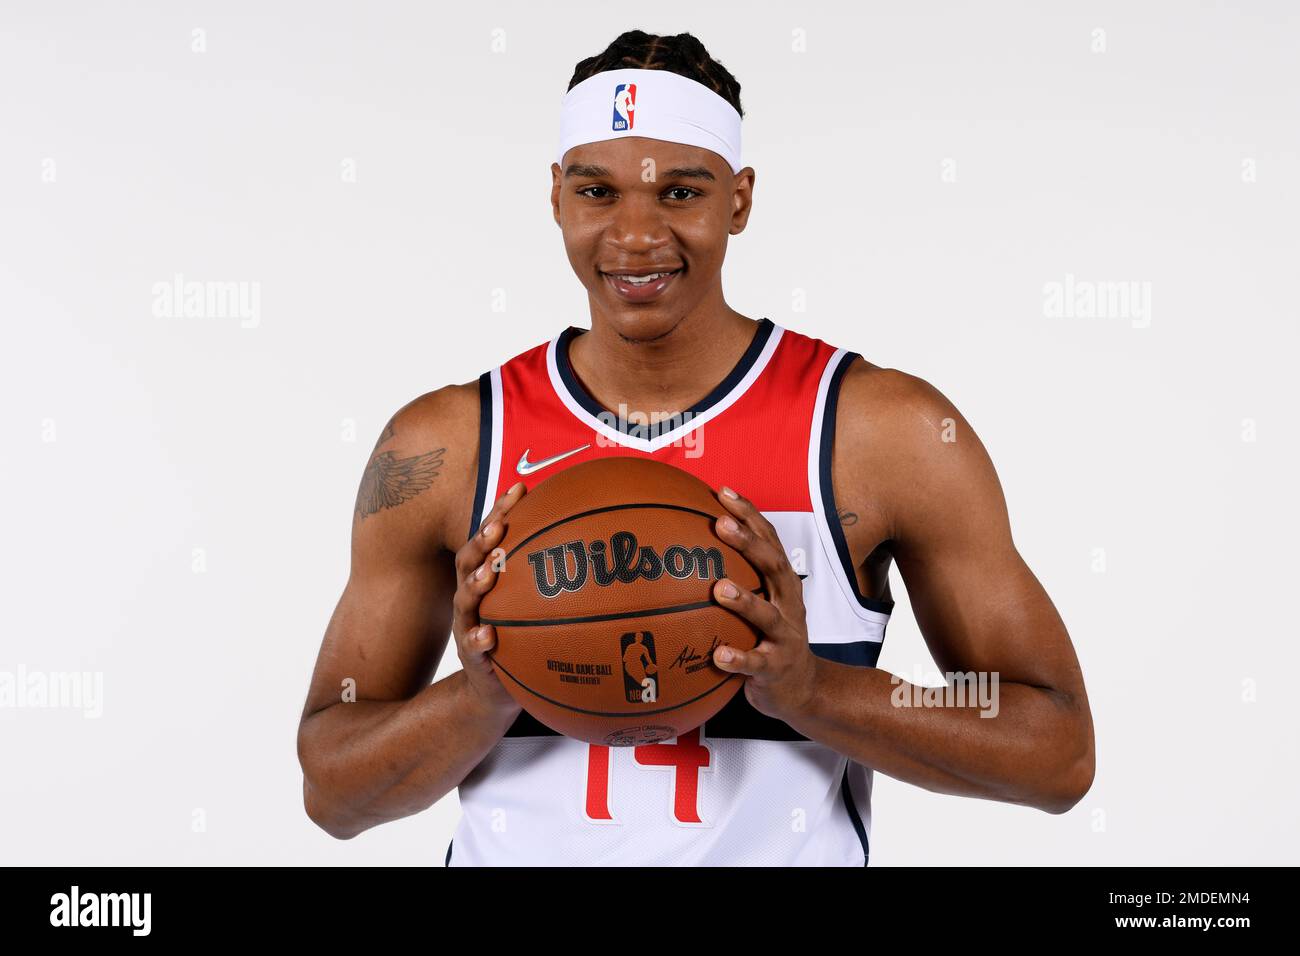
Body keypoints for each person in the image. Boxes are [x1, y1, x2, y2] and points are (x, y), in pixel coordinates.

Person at [297, 29, 1095, 866]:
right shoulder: (449, 444)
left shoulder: (878, 431)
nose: (635, 236)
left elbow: (1057, 752)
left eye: (680, 193)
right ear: (558, 198)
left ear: (739, 200)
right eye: (598, 191)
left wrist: (816, 692)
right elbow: (333, 791)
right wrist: (482, 695)